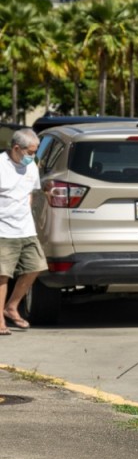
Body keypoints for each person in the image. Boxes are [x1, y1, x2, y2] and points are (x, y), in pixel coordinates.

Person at [0, 129, 47, 334]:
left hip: (26, 228)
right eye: (30, 152)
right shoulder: (1, 165)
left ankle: (12, 306)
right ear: (16, 148)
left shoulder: (31, 167)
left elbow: (30, 193)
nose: (32, 157)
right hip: (3, 230)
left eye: (35, 152)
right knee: (2, 276)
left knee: (35, 267)